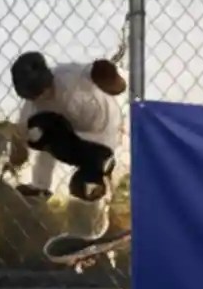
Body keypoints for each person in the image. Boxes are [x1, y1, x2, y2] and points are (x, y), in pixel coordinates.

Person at [7, 51, 126, 249]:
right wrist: (16, 154)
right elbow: (21, 139)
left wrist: (112, 77)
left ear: (49, 77)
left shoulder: (70, 75)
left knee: (83, 185)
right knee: (39, 128)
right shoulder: (32, 107)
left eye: (43, 90)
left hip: (105, 136)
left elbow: (99, 72)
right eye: (34, 95)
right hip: (75, 141)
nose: (42, 97)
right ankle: (42, 187)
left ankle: (96, 229)